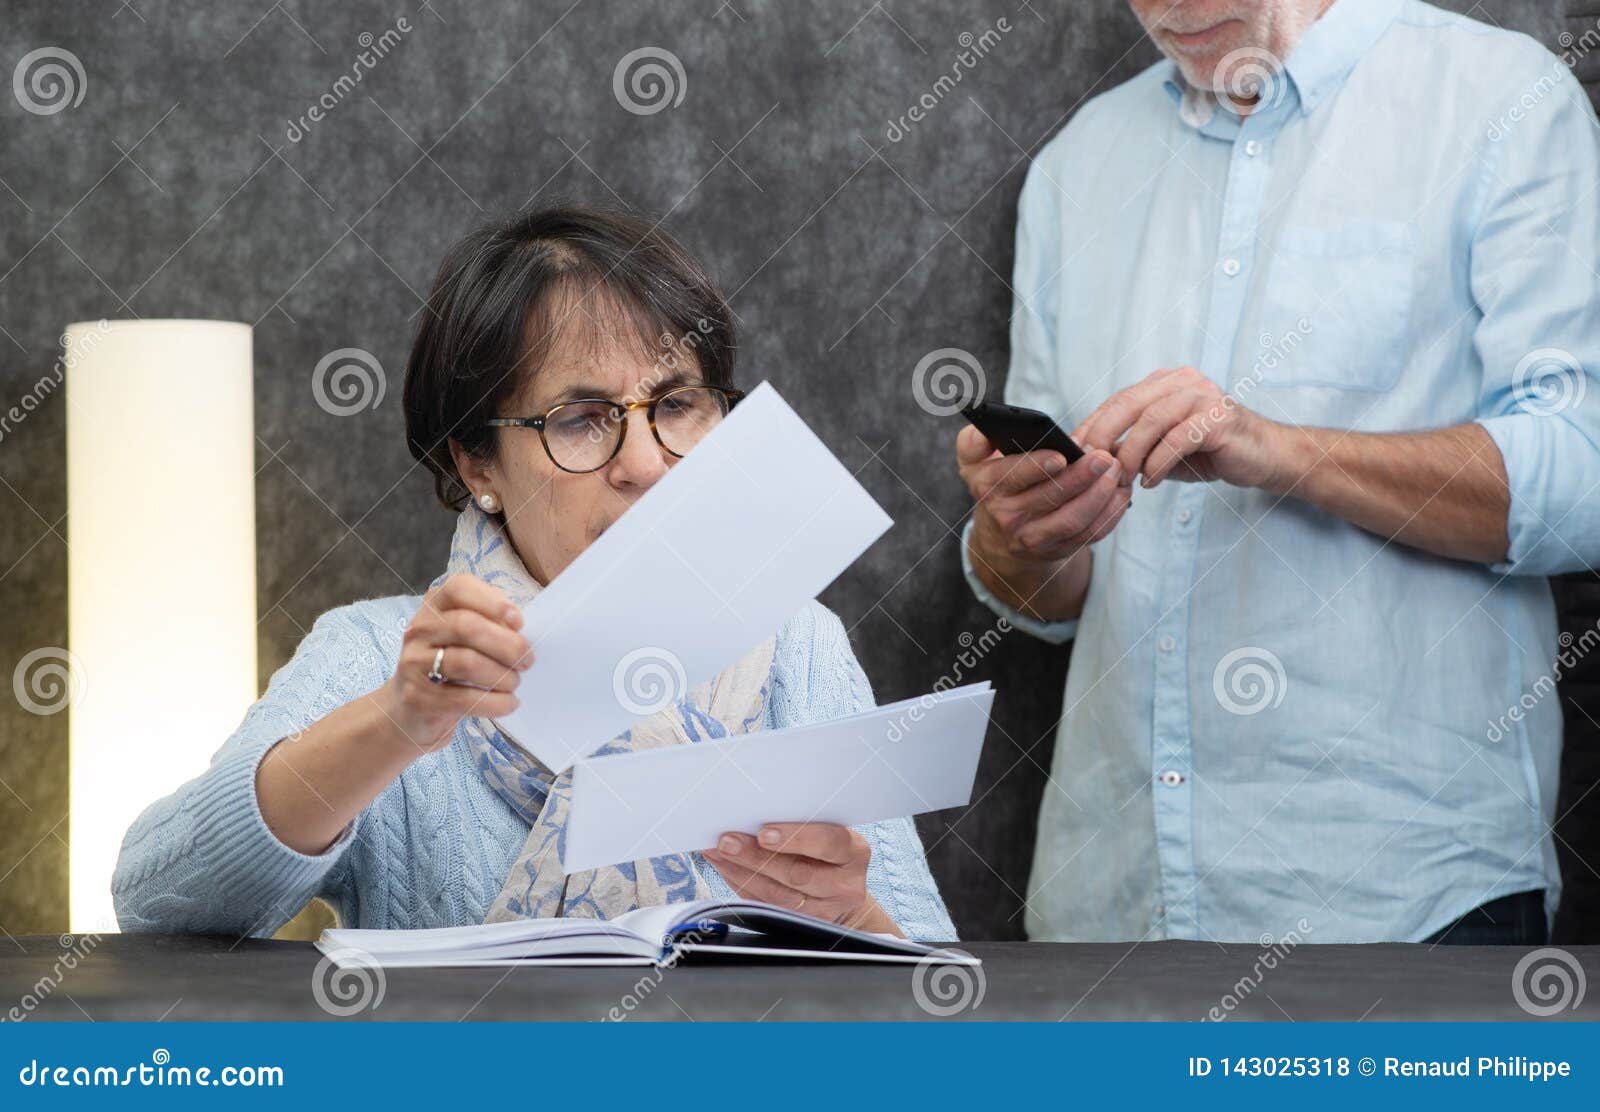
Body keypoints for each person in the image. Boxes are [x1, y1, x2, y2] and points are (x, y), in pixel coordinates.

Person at [114, 205, 955, 940]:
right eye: (582, 420)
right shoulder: (376, 656)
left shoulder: (799, 645)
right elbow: (158, 903)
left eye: (675, 406)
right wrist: (397, 724)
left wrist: (851, 917)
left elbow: (936, 986)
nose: (648, 464)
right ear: (477, 462)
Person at [958, 0, 1600, 943]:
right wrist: (1016, 532)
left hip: (1405, 909)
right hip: (1108, 912)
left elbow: (1582, 482)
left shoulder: (1502, 99)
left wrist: (1278, 449)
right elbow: (1050, 600)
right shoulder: (1076, 167)